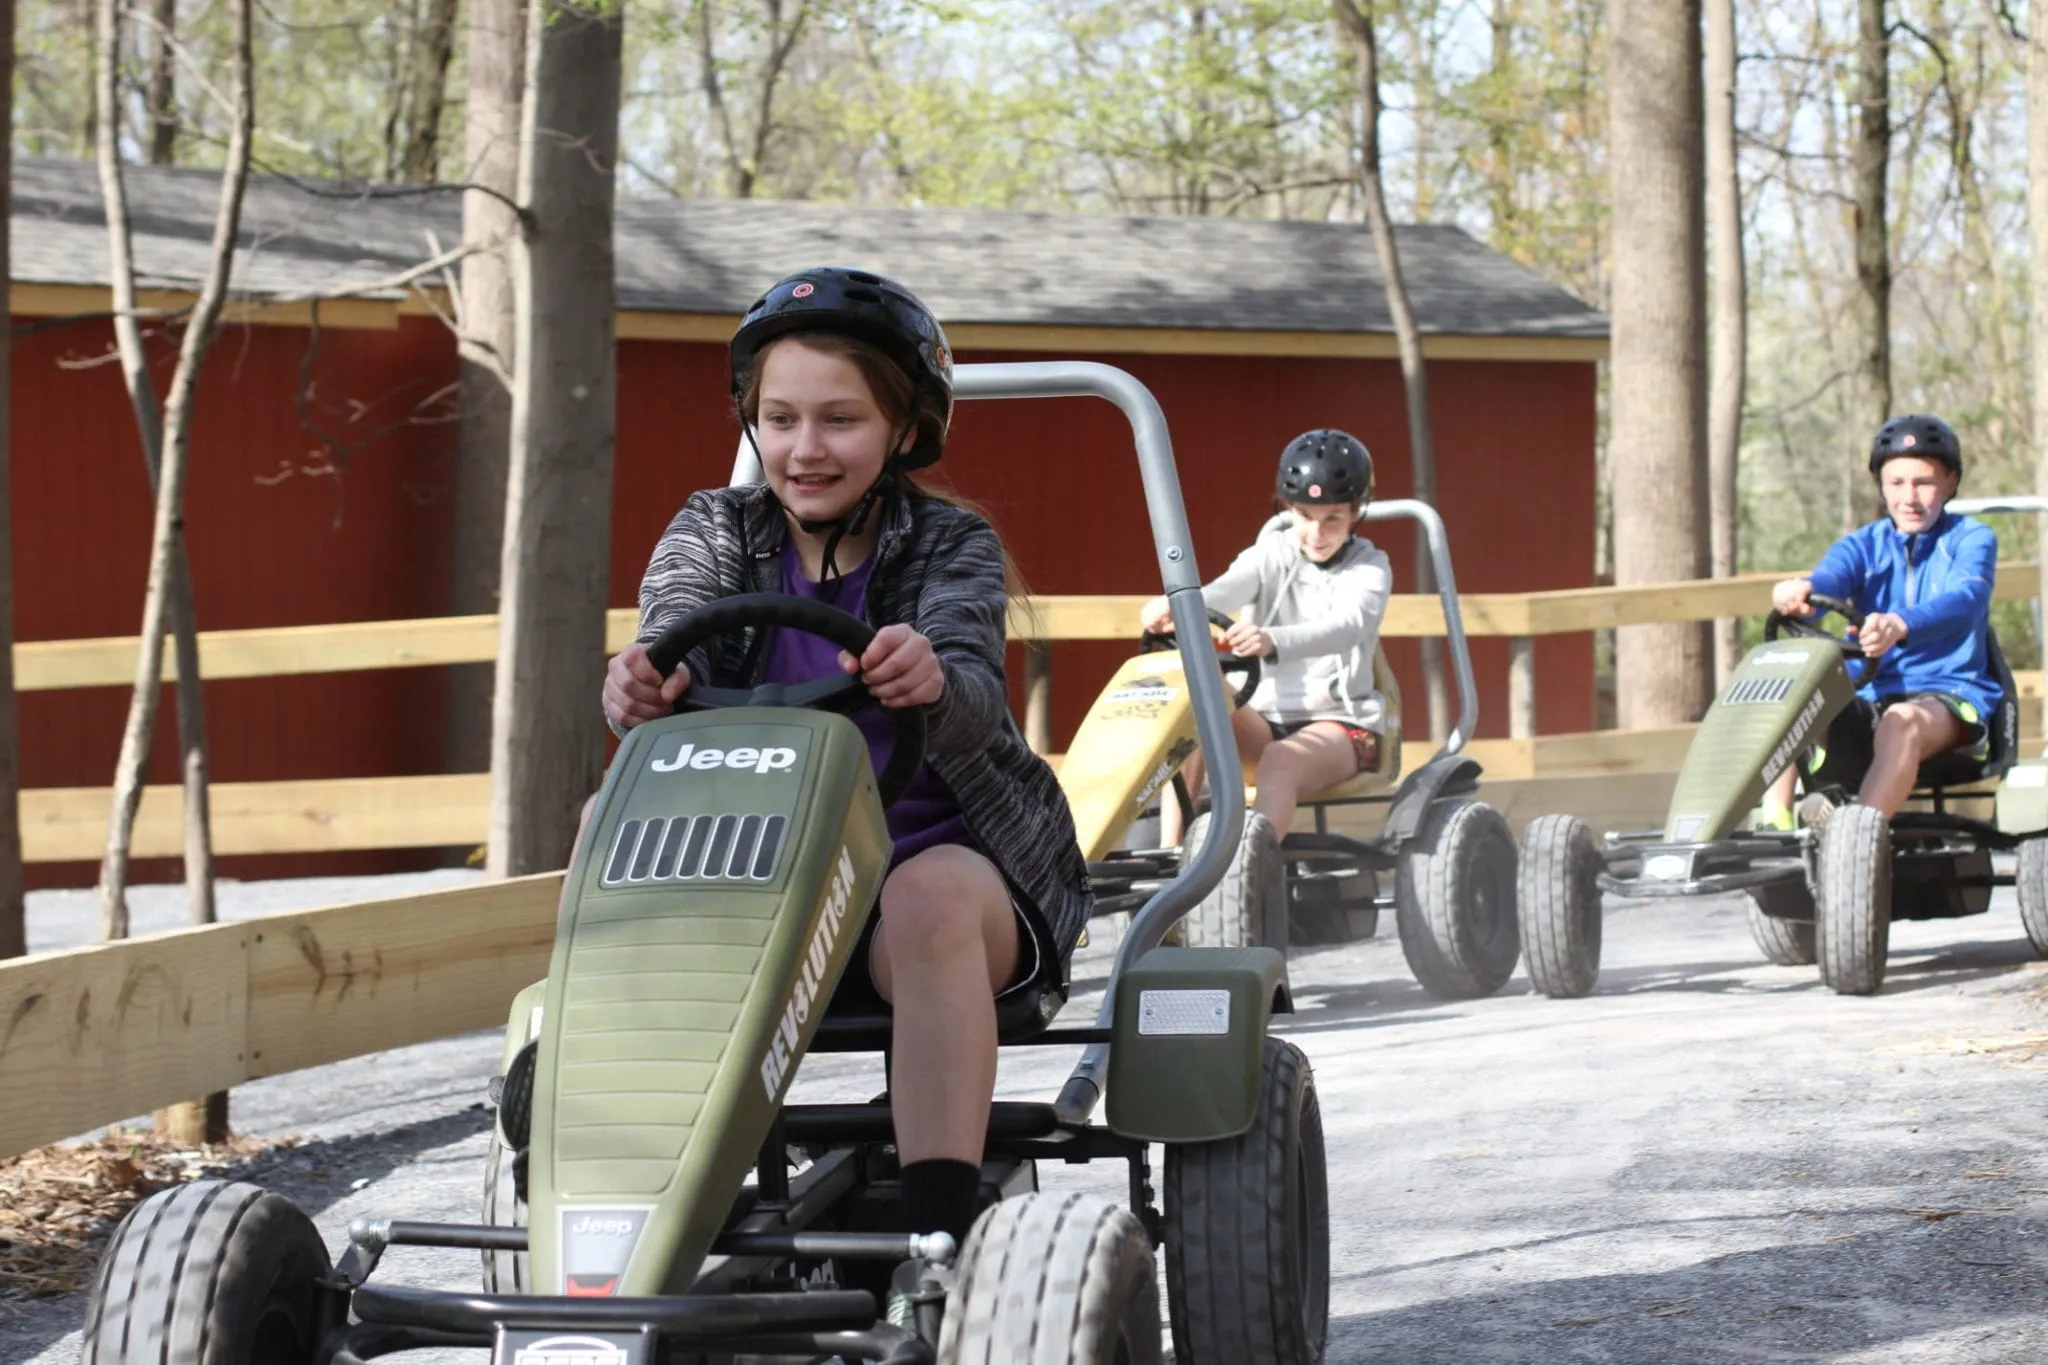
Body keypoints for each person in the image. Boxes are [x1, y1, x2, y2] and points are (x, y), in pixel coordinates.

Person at [600, 267, 1090, 1251]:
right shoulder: (714, 529)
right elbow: (671, 638)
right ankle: (613, 1197)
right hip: (754, 887)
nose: (803, 449)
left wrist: (933, 683)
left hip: (926, 887)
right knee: (601, 833)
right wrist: (639, 691)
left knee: (930, 897)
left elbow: (972, 689)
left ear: (904, 430)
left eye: (839, 420)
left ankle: (933, 1244)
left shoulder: (949, 542)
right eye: (779, 419)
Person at [1139, 428, 1394, 852]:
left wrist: (1271, 640)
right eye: (1305, 516)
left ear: (1355, 513)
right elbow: (1224, 589)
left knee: (1280, 760)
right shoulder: (1269, 553)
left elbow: (1347, 626)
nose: (1316, 532)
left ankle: (1245, 869)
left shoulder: (1370, 569)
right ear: (1289, 509)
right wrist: (1177, 606)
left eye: (1332, 518)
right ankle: (1172, 858)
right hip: (1264, 723)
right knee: (1198, 704)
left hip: (1342, 726)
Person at [1764, 414, 2000, 826]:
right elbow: (1831, 581)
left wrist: (1901, 624)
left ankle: (1855, 834)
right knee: (1787, 698)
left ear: (1950, 482)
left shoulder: (1971, 538)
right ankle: (1775, 824)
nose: (1909, 497)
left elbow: (1967, 598)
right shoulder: (1863, 545)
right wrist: (1801, 592)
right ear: (1881, 486)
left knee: (1900, 721)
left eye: (1923, 482)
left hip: (1950, 698)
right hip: (1868, 696)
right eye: (1896, 483)